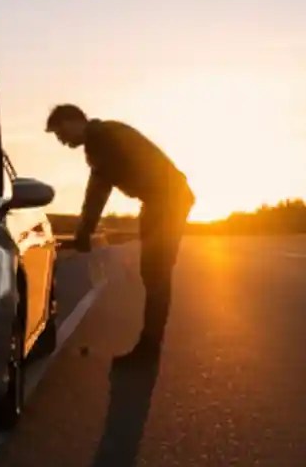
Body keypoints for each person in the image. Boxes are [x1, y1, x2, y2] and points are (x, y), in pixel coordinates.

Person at [45, 104, 195, 363]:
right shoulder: (102, 135)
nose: (63, 142)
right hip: (161, 200)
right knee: (153, 273)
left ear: (73, 121)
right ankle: (150, 345)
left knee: (155, 272)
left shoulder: (101, 138)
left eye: (61, 134)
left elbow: (98, 190)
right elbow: (100, 185)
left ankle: (149, 350)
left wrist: (84, 232)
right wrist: (85, 230)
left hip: (168, 200)